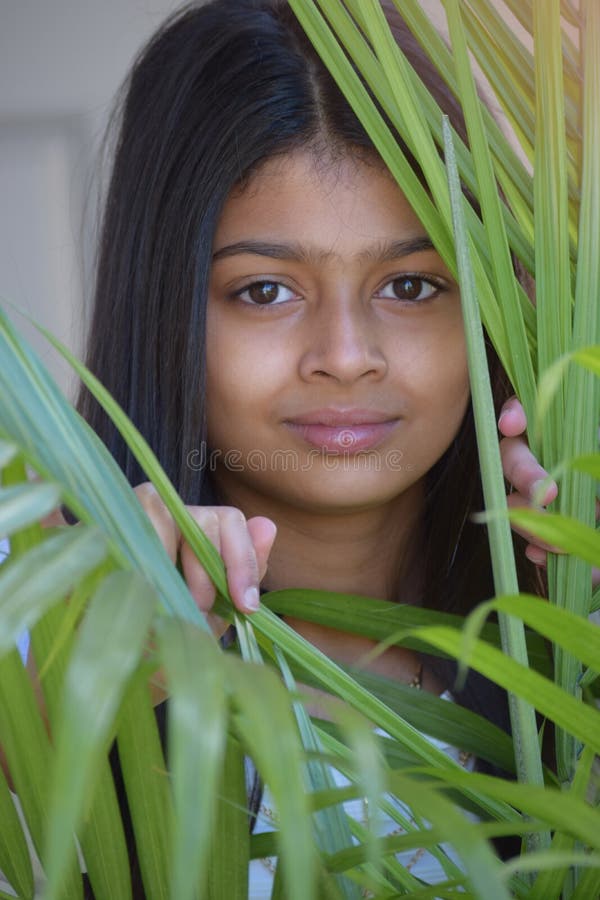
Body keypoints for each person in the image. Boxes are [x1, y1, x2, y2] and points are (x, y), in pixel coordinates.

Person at [1, 0, 562, 896]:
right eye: (265, 291)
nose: (346, 356)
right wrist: (74, 681)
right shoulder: (29, 604)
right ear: (168, 302)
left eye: (412, 284)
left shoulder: (568, 642)